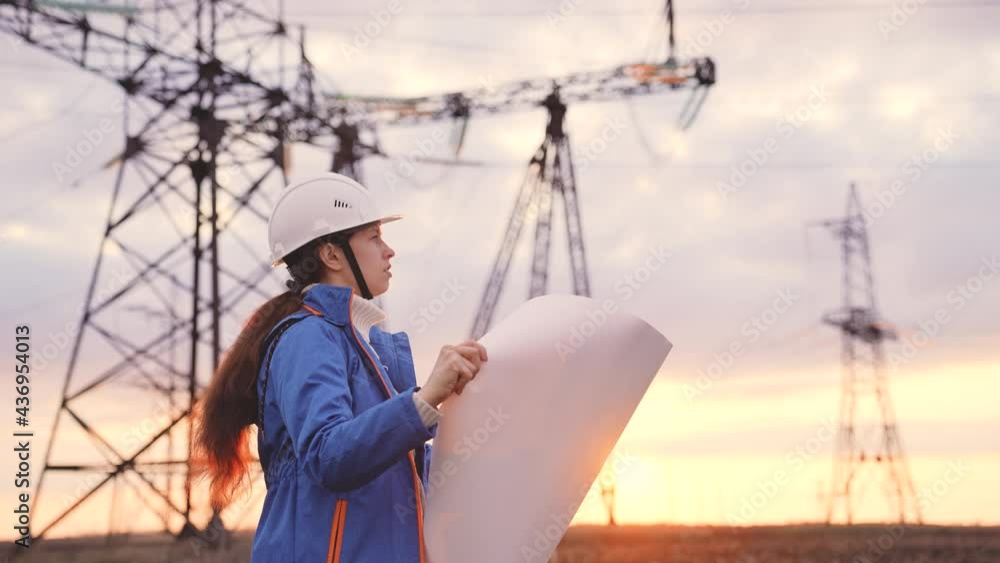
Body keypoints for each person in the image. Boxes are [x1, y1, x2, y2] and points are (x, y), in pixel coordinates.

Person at [194, 173, 488, 562]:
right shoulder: (307, 337)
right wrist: (426, 396)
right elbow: (328, 455)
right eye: (374, 237)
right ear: (331, 255)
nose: (389, 251)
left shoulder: (372, 346)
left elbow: (405, 469)